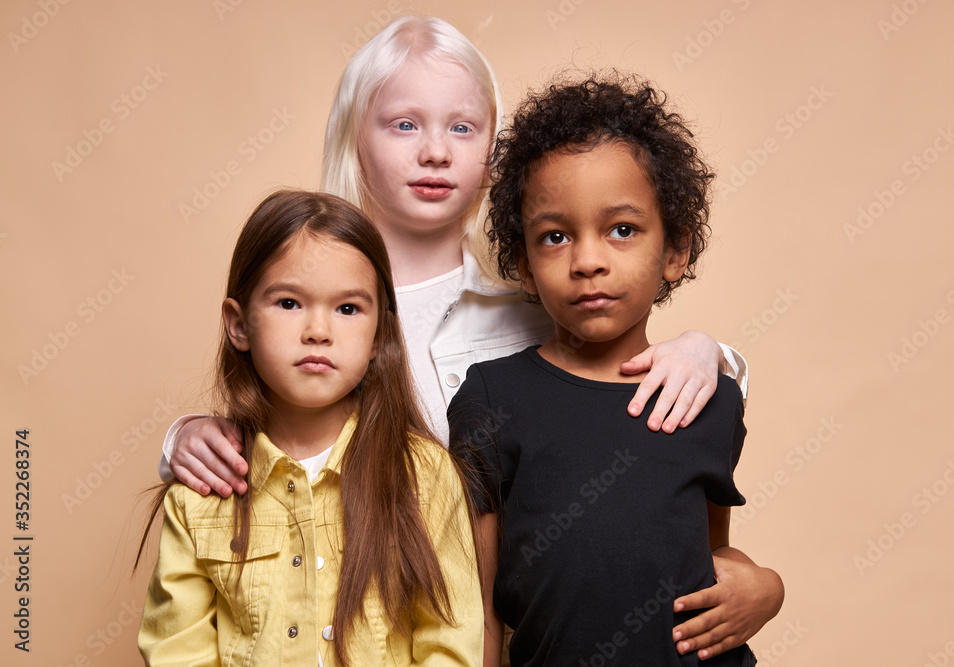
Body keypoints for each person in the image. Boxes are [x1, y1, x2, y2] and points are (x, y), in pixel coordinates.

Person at [155, 16, 776, 658]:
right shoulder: (322, 307)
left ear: (493, 151)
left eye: (462, 128)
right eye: (404, 125)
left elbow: (624, 396)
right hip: (360, 616)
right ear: (353, 138)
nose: (435, 152)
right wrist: (185, 437)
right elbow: (276, 432)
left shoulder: (534, 300)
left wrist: (709, 351)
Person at [449, 74, 782, 666]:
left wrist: (765, 588)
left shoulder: (707, 396)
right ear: (524, 264)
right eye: (555, 237)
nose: (588, 261)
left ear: (674, 251)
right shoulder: (491, 400)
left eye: (622, 230)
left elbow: (711, 562)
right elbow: (479, 602)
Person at [137, 190, 483, 666]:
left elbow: (449, 642)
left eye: (347, 309)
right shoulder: (204, 487)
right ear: (239, 325)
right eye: (289, 302)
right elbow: (176, 650)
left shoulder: (424, 473)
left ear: (379, 336)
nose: (318, 331)